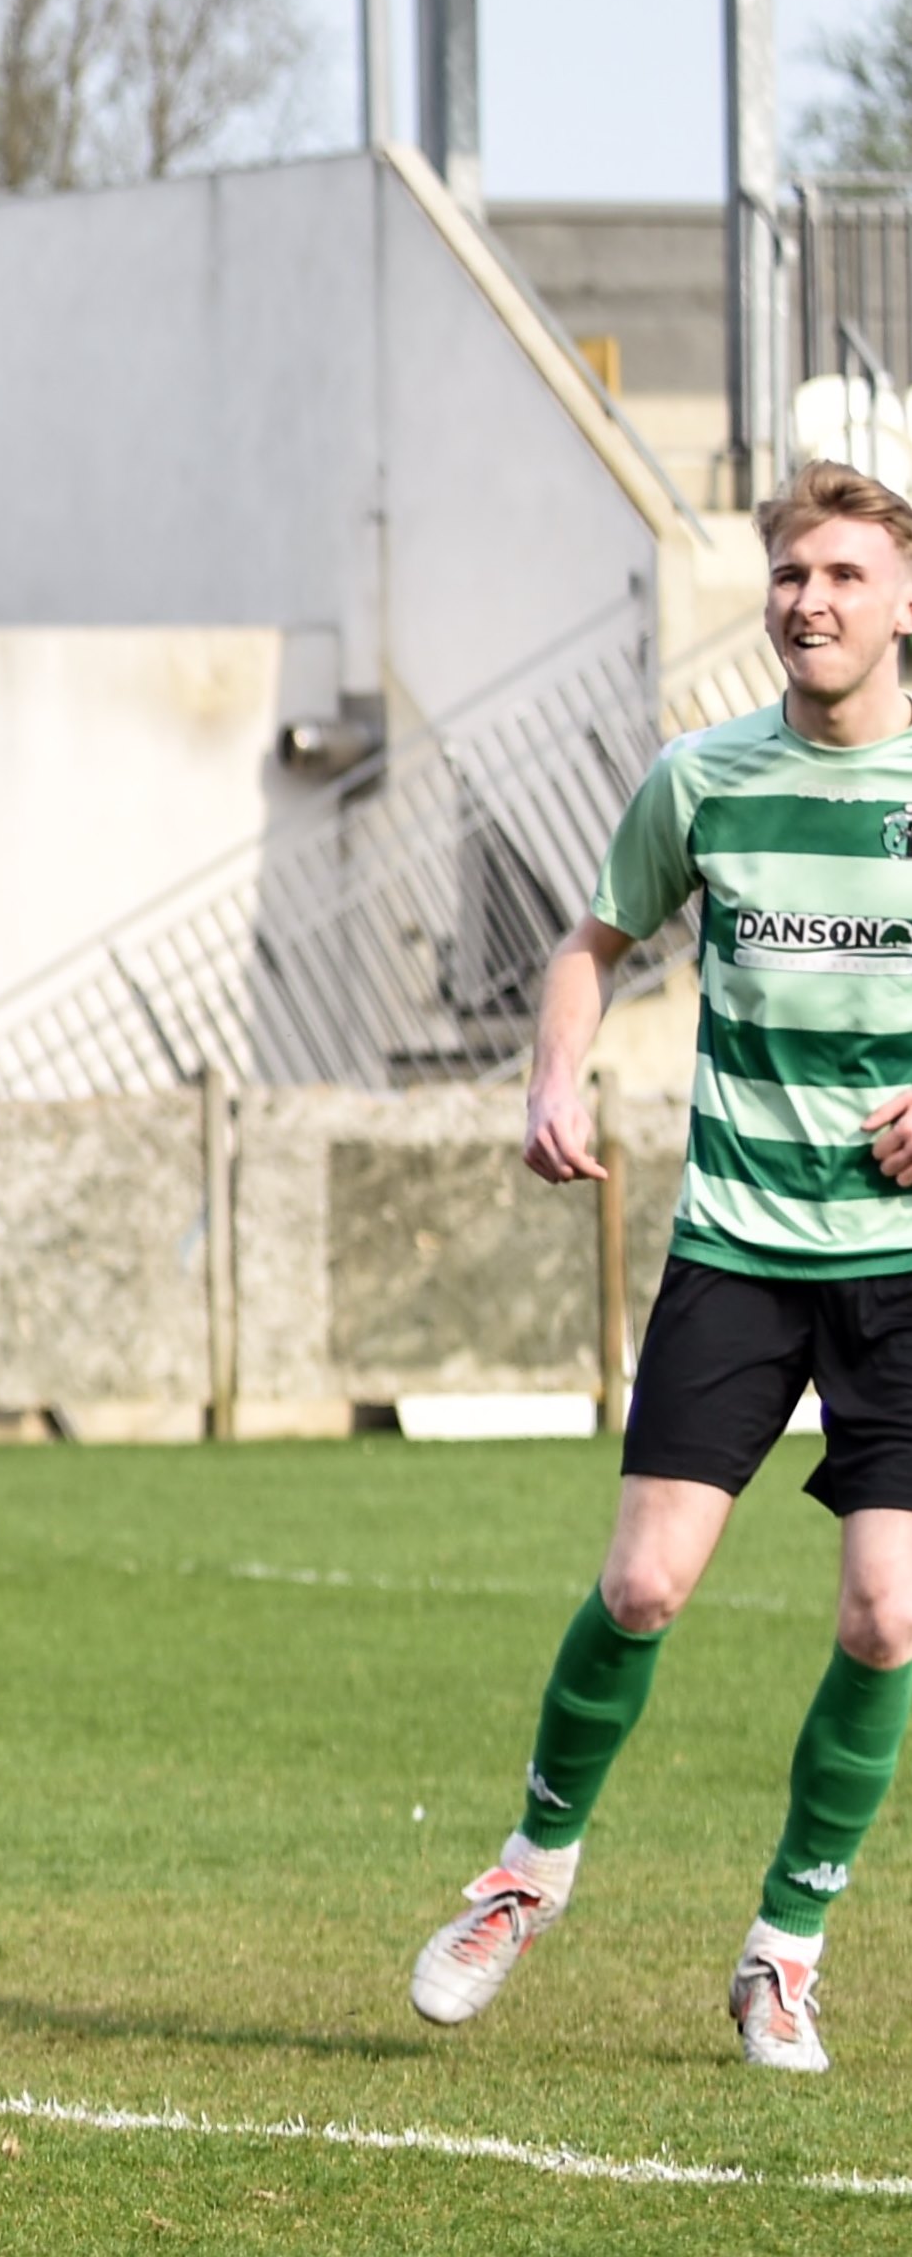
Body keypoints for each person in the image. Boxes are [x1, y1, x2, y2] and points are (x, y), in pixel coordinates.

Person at [413, 460, 912, 2074]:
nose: (808, 601)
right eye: (787, 573)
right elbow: (588, 941)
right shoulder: (696, 777)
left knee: (883, 1619)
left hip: (900, 1271)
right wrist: (549, 1078)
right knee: (639, 1584)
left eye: (841, 573)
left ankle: (782, 1947)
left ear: (898, 600)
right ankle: (523, 1868)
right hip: (733, 1249)